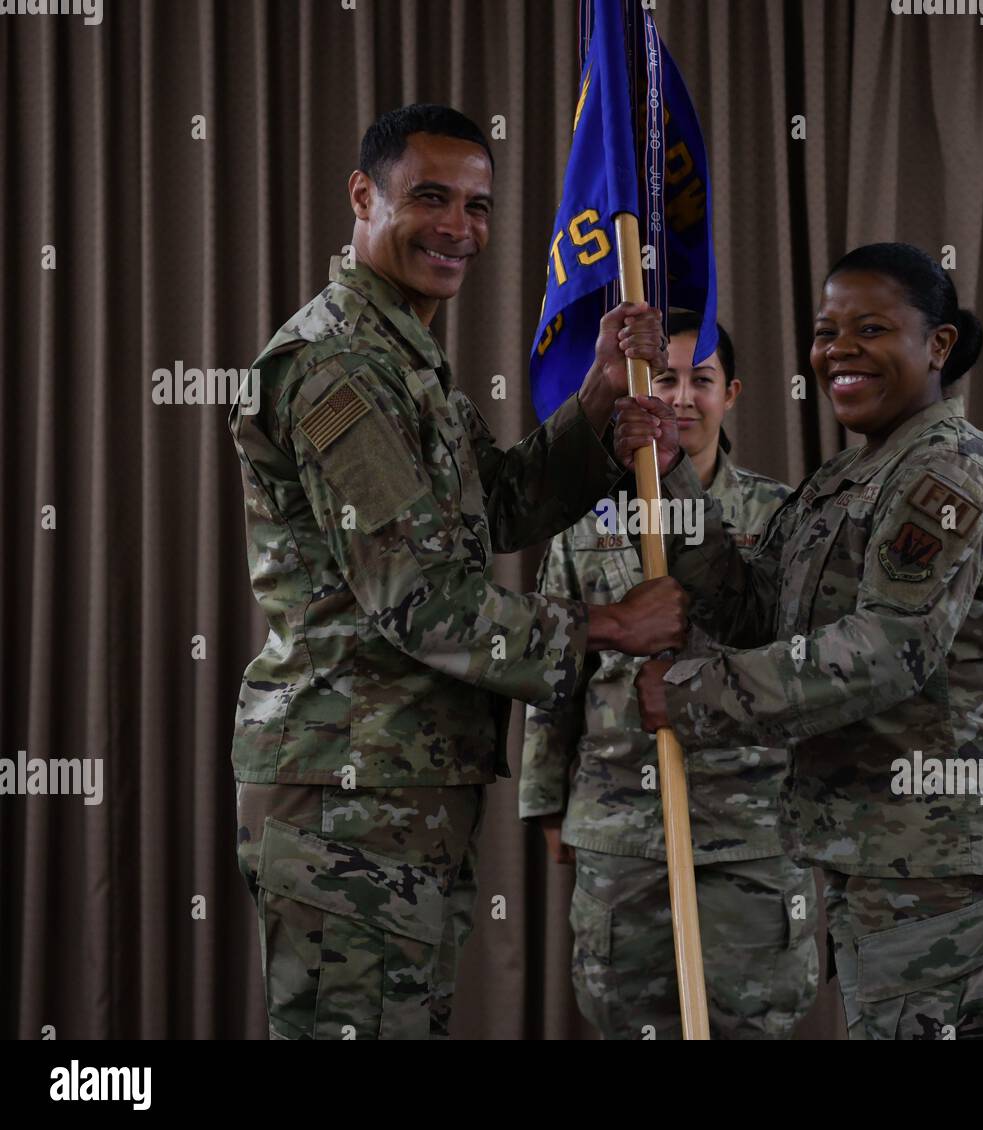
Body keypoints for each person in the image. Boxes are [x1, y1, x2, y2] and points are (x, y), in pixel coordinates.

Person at [228, 103, 686, 1040]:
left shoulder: (404, 355)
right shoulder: (339, 368)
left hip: (398, 783)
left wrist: (599, 398)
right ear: (364, 196)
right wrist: (605, 627)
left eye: (476, 207)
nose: (457, 228)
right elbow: (416, 596)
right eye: (430, 198)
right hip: (348, 793)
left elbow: (499, 506)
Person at [616, 243, 983, 1040]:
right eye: (828, 332)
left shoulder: (948, 475)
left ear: (937, 345)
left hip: (955, 858)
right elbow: (752, 607)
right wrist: (674, 481)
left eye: (870, 328)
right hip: (888, 850)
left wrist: (692, 698)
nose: (839, 351)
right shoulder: (848, 477)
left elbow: (882, 651)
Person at [520, 312, 819, 1040]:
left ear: (733, 392)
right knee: (627, 1019)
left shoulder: (783, 517)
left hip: (750, 828)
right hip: (622, 824)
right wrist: (549, 802)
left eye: (701, 380)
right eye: (665, 379)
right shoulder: (585, 519)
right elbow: (552, 671)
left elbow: (808, 668)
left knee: (757, 1022)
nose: (682, 398)